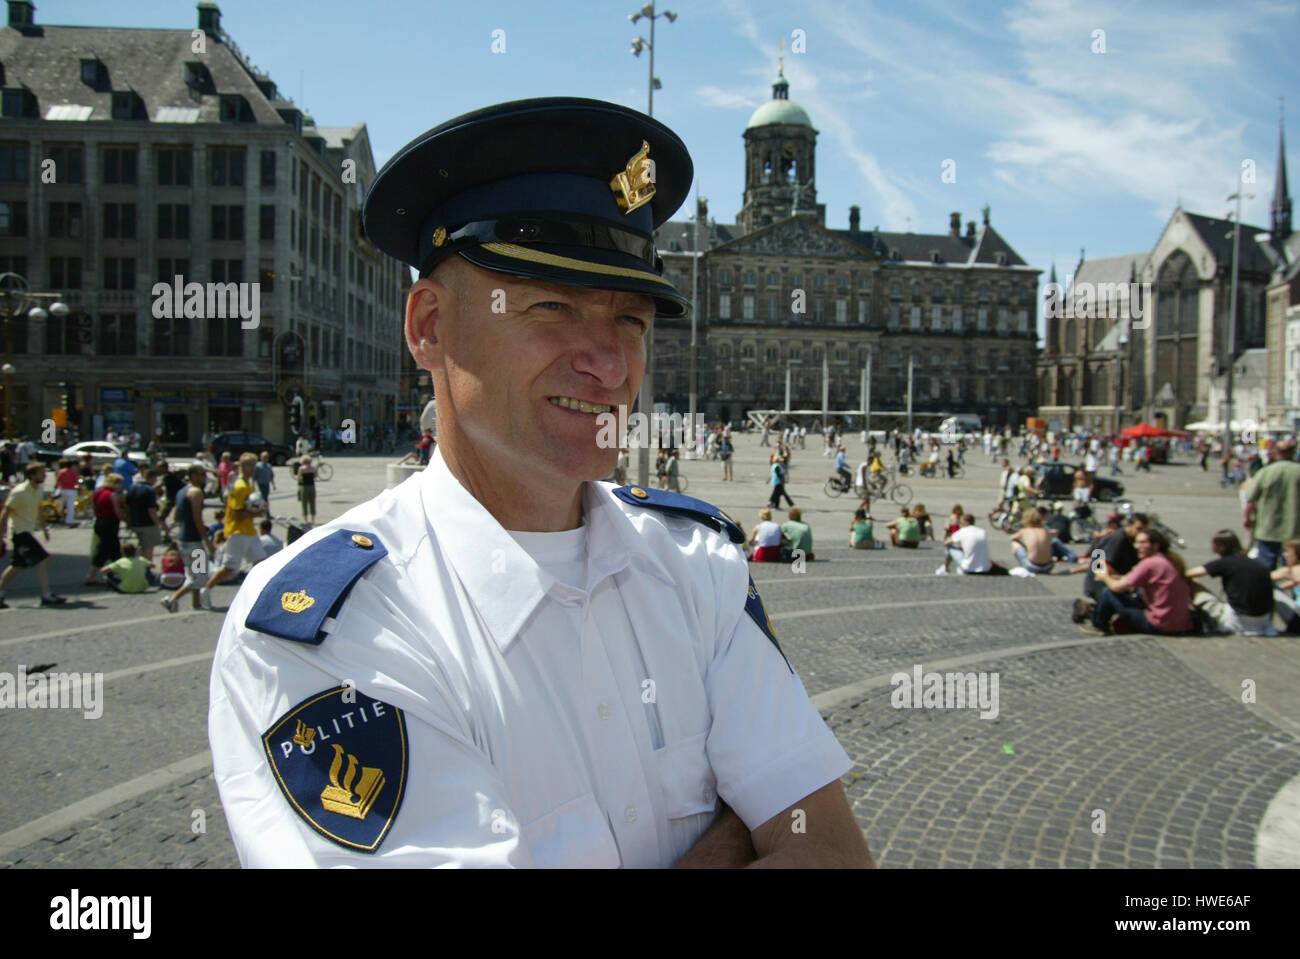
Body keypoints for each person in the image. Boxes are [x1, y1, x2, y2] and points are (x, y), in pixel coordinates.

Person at [209, 99, 867, 869]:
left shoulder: (700, 566)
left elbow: (831, 854)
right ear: (427, 325)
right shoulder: (332, 634)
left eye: (631, 319)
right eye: (552, 305)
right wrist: (734, 832)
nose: (611, 365)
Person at [1085, 527, 1192, 635]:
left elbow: (1116, 587)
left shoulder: (1150, 563)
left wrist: (1104, 576)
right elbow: (1131, 582)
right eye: (1136, 543)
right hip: (1182, 624)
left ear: (1155, 545)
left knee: (1108, 594)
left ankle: (1098, 625)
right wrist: (1116, 577)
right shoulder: (1169, 560)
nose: (1137, 547)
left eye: (1142, 543)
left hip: (1160, 624)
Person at [200, 453, 266, 609]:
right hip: (238, 531)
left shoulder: (246, 484)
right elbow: (237, 513)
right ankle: (206, 590)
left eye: (254, 465)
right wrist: (257, 513)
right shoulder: (240, 486)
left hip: (248, 530)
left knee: (261, 563)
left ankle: (257, 597)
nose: (253, 468)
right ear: (241, 466)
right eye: (249, 465)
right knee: (230, 567)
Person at [0, 463, 67, 608]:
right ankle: (46, 595)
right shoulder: (19, 491)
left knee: (17, 565)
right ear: (32, 475)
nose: (44, 475)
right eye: (41, 473)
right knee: (43, 558)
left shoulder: (38, 489)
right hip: (19, 532)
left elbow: (39, 509)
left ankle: (0, 594)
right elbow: (5, 513)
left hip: (27, 531)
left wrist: (45, 529)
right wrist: (1, 536)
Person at [1185, 531, 1276, 635]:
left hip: (1237, 620)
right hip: (1264, 621)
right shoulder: (1257, 562)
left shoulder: (1225, 563)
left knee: (1193, 583)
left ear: (1219, 547)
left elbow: (1190, 574)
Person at [162, 464, 216, 614]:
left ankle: (196, 603)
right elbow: (197, 519)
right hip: (193, 539)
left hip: (183, 538)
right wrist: (208, 543)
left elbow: (178, 515)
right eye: (201, 474)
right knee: (200, 576)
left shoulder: (182, 491)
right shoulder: (196, 492)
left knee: (193, 572)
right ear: (193, 475)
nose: (204, 478)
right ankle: (172, 599)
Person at [1243, 439, 1300, 571]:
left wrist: (1247, 518)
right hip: (1295, 529)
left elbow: (1250, 499)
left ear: (1275, 453)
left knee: (1266, 567)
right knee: (1292, 569)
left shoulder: (1265, 472)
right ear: (1292, 453)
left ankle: (1268, 590)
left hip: (1267, 527)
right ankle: (1290, 591)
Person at [86, 472, 127, 586]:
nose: (120, 486)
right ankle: (92, 575)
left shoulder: (98, 492)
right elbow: (117, 512)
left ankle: (115, 573)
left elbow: (95, 508)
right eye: (118, 483)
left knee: (112, 550)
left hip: (100, 522)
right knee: (106, 550)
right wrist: (126, 520)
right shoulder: (112, 495)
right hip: (110, 523)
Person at [124, 467, 167, 563]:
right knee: (148, 548)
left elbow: (126, 506)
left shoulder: (132, 488)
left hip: (134, 522)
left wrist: (127, 520)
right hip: (147, 523)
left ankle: (135, 564)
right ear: (152, 478)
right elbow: (151, 509)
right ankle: (146, 568)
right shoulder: (149, 490)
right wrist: (157, 523)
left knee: (141, 545)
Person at [1010, 508, 1055, 574]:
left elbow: (1012, 538)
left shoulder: (1024, 531)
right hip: (1049, 567)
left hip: (1032, 567)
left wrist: (1025, 546)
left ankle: (1024, 565)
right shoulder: (1045, 531)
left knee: (1015, 543)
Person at [54, 458, 80, 526]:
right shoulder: (74, 472)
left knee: (59, 505)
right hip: (71, 490)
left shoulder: (61, 471)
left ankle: (56, 517)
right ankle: (69, 520)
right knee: (70, 507)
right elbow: (76, 481)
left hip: (61, 489)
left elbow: (58, 480)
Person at [295, 454, 317, 524]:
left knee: (304, 503)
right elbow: (316, 475)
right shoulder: (313, 468)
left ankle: (306, 519)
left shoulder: (301, 468)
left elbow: (299, 478)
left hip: (304, 486)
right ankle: (313, 519)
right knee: (312, 502)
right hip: (312, 486)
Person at [254, 452, 276, 519]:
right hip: (260, 484)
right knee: (264, 499)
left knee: (265, 499)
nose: (265, 459)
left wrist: (273, 485)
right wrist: (252, 485)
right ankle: (267, 514)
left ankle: (264, 512)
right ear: (261, 458)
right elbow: (254, 476)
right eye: (264, 457)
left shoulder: (269, 466)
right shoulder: (258, 466)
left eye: (266, 457)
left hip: (267, 484)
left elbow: (271, 476)